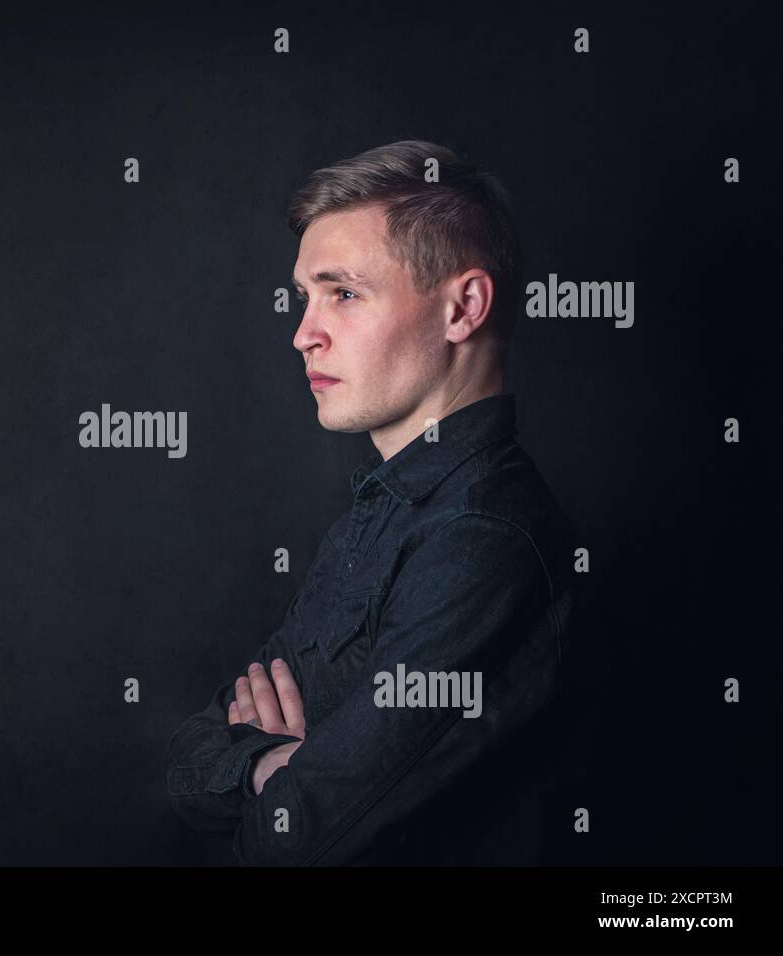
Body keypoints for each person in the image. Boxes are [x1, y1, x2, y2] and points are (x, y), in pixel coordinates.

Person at [164, 140, 577, 865]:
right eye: (305, 297)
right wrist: (267, 766)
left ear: (464, 308)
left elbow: (291, 842)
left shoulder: (484, 541)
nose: (302, 335)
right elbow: (189, 764)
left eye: (345, 293)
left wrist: (281, 776)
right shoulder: (382, 509)